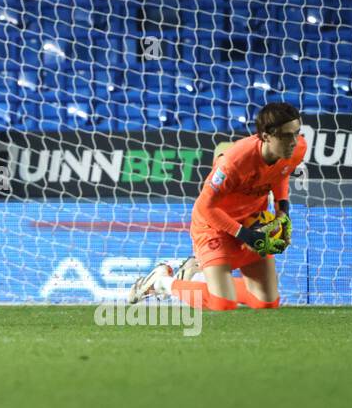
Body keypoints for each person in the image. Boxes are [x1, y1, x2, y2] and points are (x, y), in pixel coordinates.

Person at [130, 102, 306, 310]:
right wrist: (245, 236)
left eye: (297, 133)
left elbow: (281, 174)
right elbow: (206, 208)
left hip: (251, 222)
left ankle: (198, 276)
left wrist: (281, 211)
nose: (294, 141)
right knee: (223, 304)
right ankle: (161, 282)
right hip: (214, 226)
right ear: (266, 136)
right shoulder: (233, 163)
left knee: (266, 303)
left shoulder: (297, 148)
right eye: (286, 136)